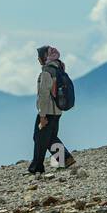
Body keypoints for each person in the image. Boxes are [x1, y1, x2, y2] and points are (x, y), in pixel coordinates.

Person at [28, 45, 77, 174]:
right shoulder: (59, 68)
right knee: (50, 138)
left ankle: (36, 168)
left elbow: (43, 95)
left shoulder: (46, 72)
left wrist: (42, 115)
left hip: (47, 112)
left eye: (39, 56)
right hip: (57, 111)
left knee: (39, 138)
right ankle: (65, 160)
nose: (38, 59)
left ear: (45, 57)